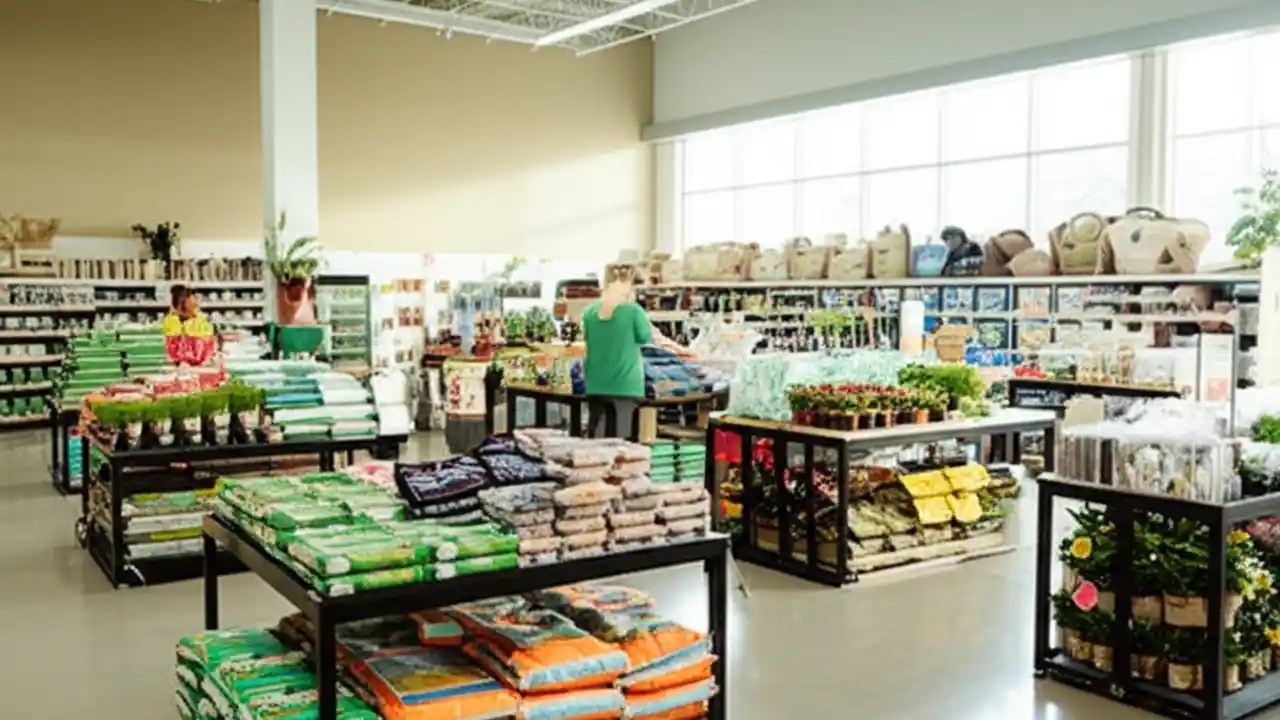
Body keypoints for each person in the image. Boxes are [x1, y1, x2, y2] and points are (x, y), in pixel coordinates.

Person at [581, 275, 681, 439]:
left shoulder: (589, 313)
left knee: (597, 439)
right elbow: (645, 337)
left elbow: (586, 339)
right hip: (625, 384)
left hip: (595, 384)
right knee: (623, 444)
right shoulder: (633, 311)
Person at [162, 284, 216, 366]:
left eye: (195, 306)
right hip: (176, 368)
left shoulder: (202, 323)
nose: (196, 307)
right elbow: (168, 352)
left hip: (198, 367)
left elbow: (208, 352)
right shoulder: (170, 322)